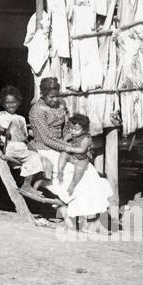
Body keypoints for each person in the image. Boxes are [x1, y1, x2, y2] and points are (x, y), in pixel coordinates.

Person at [29, 78, 112, 225]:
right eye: (51, 97)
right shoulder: (37, 111)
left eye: (57, 96)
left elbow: (67, 127)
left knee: (88, 171)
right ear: (42, 94)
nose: (55, 100)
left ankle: (91, 215)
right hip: (45, 148)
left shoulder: (61, 104)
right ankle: (77, 212)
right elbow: (46, 138)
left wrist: (72, 140)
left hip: (62, 145)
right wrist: (67, 148)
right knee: (69, 173)